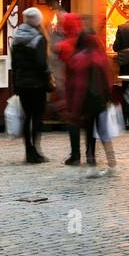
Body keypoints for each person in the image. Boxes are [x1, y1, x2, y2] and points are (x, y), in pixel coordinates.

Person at [65, 26, 118, 177]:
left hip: (86, 101)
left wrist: (74, 108)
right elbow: (108, 80)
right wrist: (108, 97)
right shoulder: (101, 56)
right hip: (100, 100)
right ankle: (112, 163)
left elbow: (78, 85)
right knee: (103, 131)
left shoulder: (79, 58)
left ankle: (92, 163)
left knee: (89, 133)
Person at [11, 7, 52, 163]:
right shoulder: (37, 38)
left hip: (22, 84)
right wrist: (48, 77)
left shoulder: (17, 37)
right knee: (37, 117)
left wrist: (16, 83)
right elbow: (42, 64)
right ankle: (36, 150)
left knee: (26, 117)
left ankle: (28, 150)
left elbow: (14, 64)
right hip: (37, 84)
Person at [54, 13, 86, 166]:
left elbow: (59, 56)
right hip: (88, 86)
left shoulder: (65, 45)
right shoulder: (86, 41)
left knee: (73, 121)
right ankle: (91, 154)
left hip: (72, 87)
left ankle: (75, 154)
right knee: (89, 120)